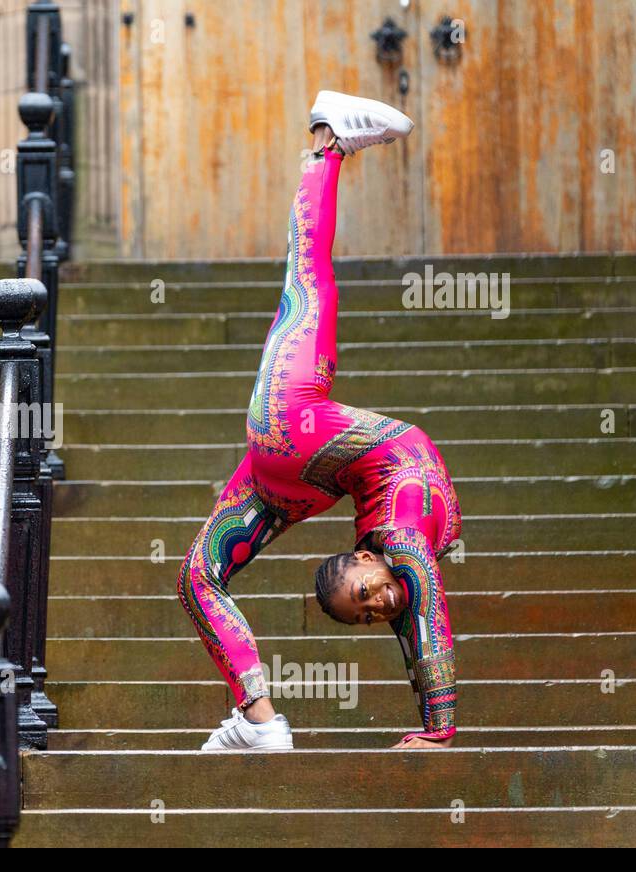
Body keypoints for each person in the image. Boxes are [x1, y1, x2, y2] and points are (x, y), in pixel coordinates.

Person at [177, 91, 460, 752]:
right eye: (367, 611)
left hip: (295, 440)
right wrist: (435, 726)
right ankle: (262, 720)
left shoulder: (398, 538)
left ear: (365, 559)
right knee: (195, 579)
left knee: (309, 279)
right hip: (297, 456)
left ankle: (329, 137)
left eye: (366, 597)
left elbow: (424, 622)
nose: (379, 606)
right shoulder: (403, 543)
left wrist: (439, 727)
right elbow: (421, 615)